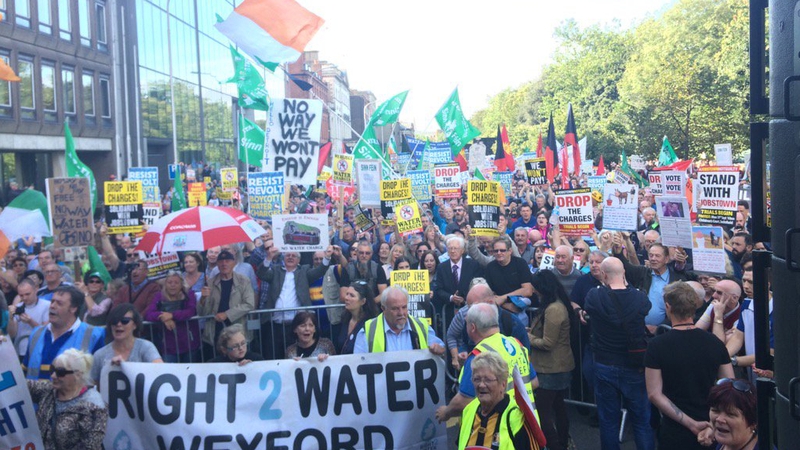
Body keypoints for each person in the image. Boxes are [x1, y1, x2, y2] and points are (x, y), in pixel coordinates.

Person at [645, 282, 734, 449]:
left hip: (674, 429)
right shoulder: (715, 343)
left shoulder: (657, 345)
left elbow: (654, 394)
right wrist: (712, 425)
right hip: (710, 426)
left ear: (668, 307)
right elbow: (729, 387)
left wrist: (691, 423)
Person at [583, 257, 654, 450]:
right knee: (641, 421)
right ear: (624, 273)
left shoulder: (594, 296)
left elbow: (587, 310)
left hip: (605, 364)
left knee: (608, 421)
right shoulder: (639, 298)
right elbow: (646, 308)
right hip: (633, 364)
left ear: (603, 275)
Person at [437, 301, 538, 423]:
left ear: (472, 327)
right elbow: (534, 382)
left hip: (498, 430)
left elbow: (463, 401)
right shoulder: (515, 344)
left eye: (467, 323)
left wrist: (446, 412)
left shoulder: (479, 356)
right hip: (527, 423)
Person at [257, 245, 336, 359]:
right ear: (283, 258)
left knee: (294, 357)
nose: (290, 257)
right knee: (274, 356)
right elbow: (261, 274)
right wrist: (269, 257)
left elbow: (319, 271)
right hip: (275, 324)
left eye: (294, 256)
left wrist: (327, 257)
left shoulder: (304, 271)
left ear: (299, 260)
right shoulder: (275, 270)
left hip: (297, 325)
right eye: (288, 255)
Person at [529, 269, 576, 450]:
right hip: (555, 367)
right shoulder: (554, 305)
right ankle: (562, 443)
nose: (533, 291)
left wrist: (529, 337)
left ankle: (556, 445)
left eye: (536, 288)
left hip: (552, 368)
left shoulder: (554, 309)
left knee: (543, 411)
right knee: (558, 407)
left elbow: (548, 342)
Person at [27, 349, 107, 450]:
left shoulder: (95, 406)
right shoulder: (47, 390)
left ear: (78, 375)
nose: (53, 376)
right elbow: (16, 384)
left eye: (60, 372)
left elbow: (89, 446)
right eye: (52, 370)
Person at [457, 352, 539, 450]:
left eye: (488, 380)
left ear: (503, 384)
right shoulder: (468, 410)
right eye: (477, 379)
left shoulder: (516, 417)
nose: (481, 385)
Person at [23, 286, 105, 380]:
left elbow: (100, 377)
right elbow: (25, 370)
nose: (52, 306)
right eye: (52, 301)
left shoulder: (94, 335)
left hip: (75, 395)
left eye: (59, 303)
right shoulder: (36, 333)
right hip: (35, 394)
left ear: (73, 308)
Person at [354, 285, 445, 354]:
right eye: (395, 308)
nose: (401, 313)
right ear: (383, 308)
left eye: (404, 307)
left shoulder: (421, 326)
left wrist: (439, 349)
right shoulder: (368, 330)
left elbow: (440, 349)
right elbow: (358, 364)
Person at [199, 250, 255, 360]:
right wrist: (203, 298)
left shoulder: (244, 281)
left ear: (233, 263)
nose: (224, 264)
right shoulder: (210, 282)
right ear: (217, 264)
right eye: (221, 261)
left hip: (238, 328)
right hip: (215, 330)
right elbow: (202, 313)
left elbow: (249, 304)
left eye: (227, 261)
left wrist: (227, 314)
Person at [90, 304, 163, 384]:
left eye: (125, 321)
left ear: (135, 325)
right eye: (114, 321)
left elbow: (160, 371)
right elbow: (93, 385)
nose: (118, 324)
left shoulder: (146, 347)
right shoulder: (100, 355)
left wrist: (126, 367)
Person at [144, 270, 201, 363]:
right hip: (169, 346)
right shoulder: (159, 296)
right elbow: (149, 314)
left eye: (176, 282)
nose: (173, 285)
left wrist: (172, 315)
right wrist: (162, 317)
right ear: (165, 284)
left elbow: (191, 311)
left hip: (189, 343)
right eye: (170, 282)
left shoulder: (189, 294)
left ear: (181, 284)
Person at [484, 237, 534, 325]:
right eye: (496, 251)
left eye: (502, 250)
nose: (499, 253)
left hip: (521, 308)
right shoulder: (490, 267)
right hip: (500, 310)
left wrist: (504, 297)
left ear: (510, 251)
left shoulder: (520, 263)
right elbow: (489, 294)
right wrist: (506, 305)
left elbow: (528, 290)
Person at [434, 235, 484, 315]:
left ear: (462, 250)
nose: (453, 251)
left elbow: (477, 286)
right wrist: (451, 298)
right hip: (448, 311)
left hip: (470, 310)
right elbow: (438, 289)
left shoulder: (473, 265)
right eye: (450, 248)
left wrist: (464, 300)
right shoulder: (441, 267)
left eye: (455, 248)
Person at [9, 278, 50, 361]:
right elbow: (12, 334)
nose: (24, 298)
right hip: (21, 349)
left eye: (27, 294)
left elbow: (47, 331)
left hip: (39, 348)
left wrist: (30, 322)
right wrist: (10, 317)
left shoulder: (47, 305)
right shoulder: (18, 307)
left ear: (36, 290)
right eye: (21, 295)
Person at [336, 281, 380, 354]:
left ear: (363, 301)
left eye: (352, 295)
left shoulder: (370, 324)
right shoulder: (345, 319)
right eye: (347, 294)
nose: (346, 298)